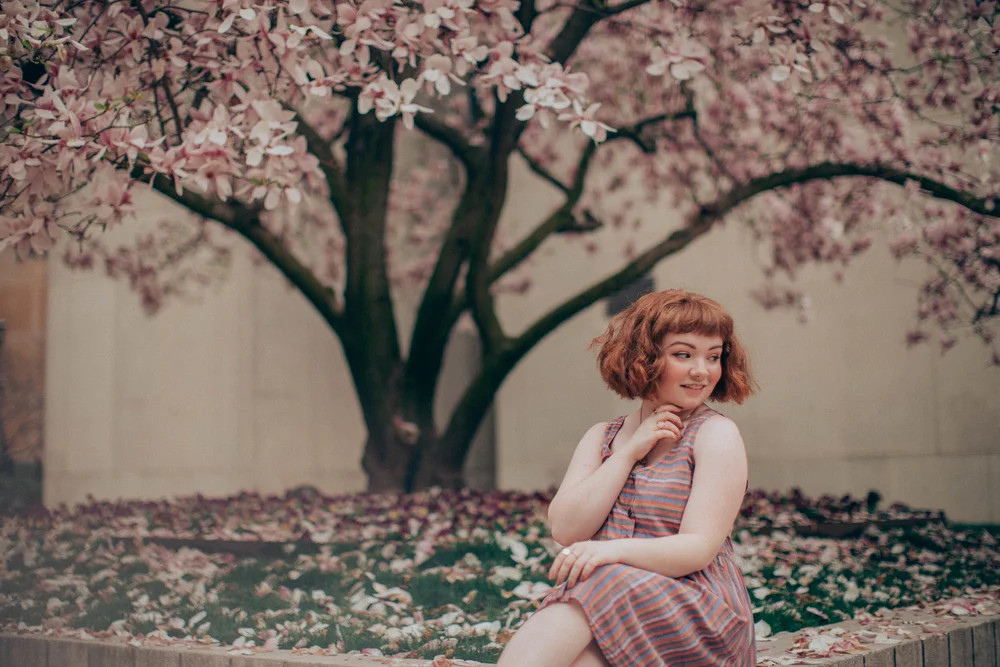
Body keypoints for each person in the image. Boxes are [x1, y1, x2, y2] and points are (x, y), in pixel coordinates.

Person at [497, 289, 757, 667]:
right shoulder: (602, 437)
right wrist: (628, 453)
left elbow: (698, 548)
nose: (702, 371)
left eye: (713, 357)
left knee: (597, 581)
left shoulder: (715, 435)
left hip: (699, 614)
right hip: (616, 609)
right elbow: (566, 529)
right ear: (644, 359)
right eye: (683, 355)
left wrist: (609, 552)